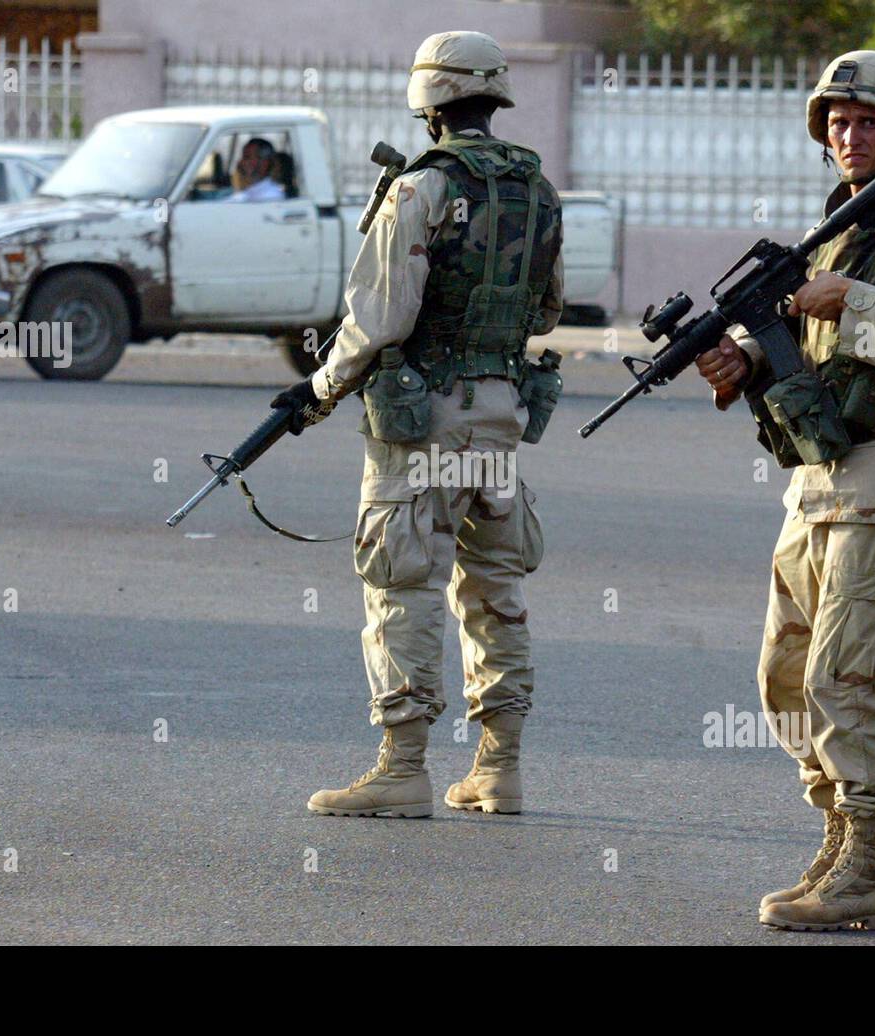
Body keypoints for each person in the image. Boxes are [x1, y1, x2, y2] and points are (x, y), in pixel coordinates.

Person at [695, 50, 875, 931]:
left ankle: (868, 862)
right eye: (835, 123)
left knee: (849, 677)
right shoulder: (847, 227)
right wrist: (745, 360)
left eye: (865, 122)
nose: (846, 137)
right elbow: (817, 346)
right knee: (785, 677)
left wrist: (848, 301)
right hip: (821, 483)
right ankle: (837, 835)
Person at [270, 30, 564, 818]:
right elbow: (545, 308)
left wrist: (321, 388)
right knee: (494, 585)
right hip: (500, 412)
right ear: (493, 95)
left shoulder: (422, 189)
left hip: (426, 416)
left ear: (427, 100)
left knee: (402, 582)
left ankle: (403, 769)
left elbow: (379, 319)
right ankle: (498, 770)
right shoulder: (537, 190)